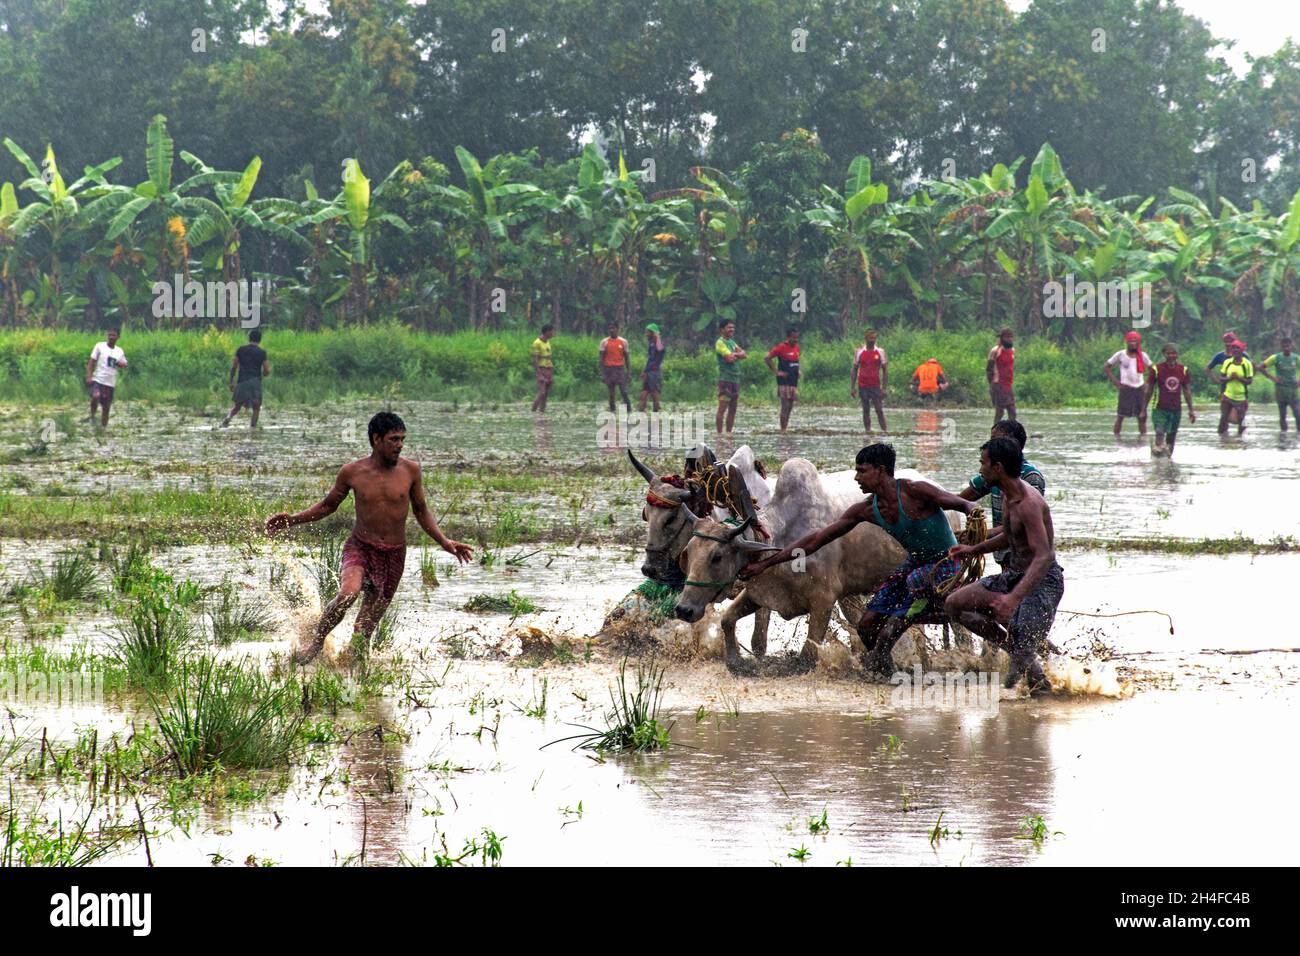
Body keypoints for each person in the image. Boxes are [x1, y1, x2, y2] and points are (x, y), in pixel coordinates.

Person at [740, 443, 973, 676]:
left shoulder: (915, 490)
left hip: (946, 562)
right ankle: (887, 671)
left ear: (880, 471)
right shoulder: (866, 509)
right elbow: (815, 540)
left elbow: (960, 503)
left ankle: (903, 651)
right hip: (914, 563)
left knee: (909, 592)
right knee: (866, 625)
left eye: (862, 471)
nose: (856, 477)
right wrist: (765, 563)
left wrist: (973, 512)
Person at [266, 412, 474, 664]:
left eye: (402, 439)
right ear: (376, 439)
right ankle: (316, 643)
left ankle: (354, 670)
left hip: (394, 555)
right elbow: (328, 505)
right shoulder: (353, 472)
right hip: (361, 547)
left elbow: (421, 510)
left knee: (365, 626)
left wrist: (445, 542)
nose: (399, 445)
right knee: (347, 594)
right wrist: (292, 520)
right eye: (393, 439)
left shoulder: (411, 471)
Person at [945, 437, 1064, 696]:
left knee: (1026, 656)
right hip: (1014, 575)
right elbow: (1012, 536)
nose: (980, 470)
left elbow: (1043, 556)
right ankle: (1017, 649)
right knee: (955, 604)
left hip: (1042, 581)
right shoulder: (1010, 497)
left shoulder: (1028, 503)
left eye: (983, 464)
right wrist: (973, 549)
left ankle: (1040, 698)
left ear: (997, 468)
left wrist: (1013, 598)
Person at [958, 419, 1045, 566]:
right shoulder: (993, 473)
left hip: (1022, 554)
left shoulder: (1030, 477)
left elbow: (1019, 529)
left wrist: (977, 536)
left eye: (994, 440)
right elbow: (960, 499)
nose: (990, 445)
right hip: (1003, 553)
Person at [1147, 343, 1196, 456]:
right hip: (1159, 408)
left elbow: (1187, 391)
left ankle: (1169, 463)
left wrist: (1191, 410)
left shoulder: (1183, 370)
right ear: (1164, 354)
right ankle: (1158, 457)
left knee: (1171, 437)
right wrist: (1143, 409)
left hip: (1176, 409)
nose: (1171, 356)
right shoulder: (1157, 369)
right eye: (1169, 353)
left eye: (1174, 353)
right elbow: (1148, 389)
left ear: (1177, 355)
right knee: (1159, 431)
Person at [1104, 330, 1153, 436]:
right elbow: (1107, 366)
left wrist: (1147, 383)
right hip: (1125, 389)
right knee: (1120, 416)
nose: (1133, 343)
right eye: (1130, 341)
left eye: (1135, 341)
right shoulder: (1120, 354)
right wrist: (1116, 383)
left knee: (1141, 417)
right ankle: (1116, 439)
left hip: (1140, 389)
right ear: (1127, 342)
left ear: (1138, 343)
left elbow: (1152, 369)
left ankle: (1142, 441)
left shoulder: (1143, 355)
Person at [222, 328, 269, 428]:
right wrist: (264, 374)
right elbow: (266, 370)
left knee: (237, 406)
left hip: (242, 381)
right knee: (256, 407)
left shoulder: (241, 349)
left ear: (249, 338)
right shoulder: (262, 352)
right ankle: (253, 427)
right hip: (255, 382)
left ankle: (227, 419)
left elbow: (234, 366)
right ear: (260, 340)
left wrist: (231, 381)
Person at [85, 327, 128, 427]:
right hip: (98, 379)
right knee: (95, 396)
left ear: (118, 337)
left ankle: (103, 430)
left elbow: (125, 364)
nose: (111, 337)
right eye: (109, 335)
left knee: (106, 408)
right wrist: (89, 376)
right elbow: (91, 362)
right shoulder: (100, 346)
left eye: (113, 335)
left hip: (110, 383)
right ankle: (92, 416)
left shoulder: (119, 351)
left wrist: (121, 364)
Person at [1258, 335, 1299, 432]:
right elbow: (1261, 367)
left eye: (1288, 346)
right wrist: (1272, 378)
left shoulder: (1296, 358)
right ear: (1281, 346)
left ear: (1291, 346)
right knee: (1282, 415)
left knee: (1298, 414)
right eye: (1285, 346)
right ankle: (1283, 435)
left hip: (1293, 390)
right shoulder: (1275, 358)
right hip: (1280, 390)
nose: (1287, 348)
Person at [765, 326, 801, 431]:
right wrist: (776, 371)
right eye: (794, 338)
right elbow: (767, 358)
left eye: (797, 338)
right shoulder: (781, 347)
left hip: (793, 381)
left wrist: (798, 371)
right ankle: (783, 430)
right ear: (788, 337)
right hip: (784, 382)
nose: (796, 340)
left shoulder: (797, 347)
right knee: (785, 406)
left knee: (790, 407)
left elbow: (796, 361)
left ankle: (785, 427)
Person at [852, 329, 888, 433]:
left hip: (875, 385)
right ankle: (868, 430)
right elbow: (854, 370)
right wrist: (853, 387)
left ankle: (885, 431)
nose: (873, 340)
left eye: (875, 338)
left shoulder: (880, 352)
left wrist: (884, 388)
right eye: (871, 338)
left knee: (879, 409)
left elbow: (885, 371)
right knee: (866, 409)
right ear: (866, 339)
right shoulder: (859, 352)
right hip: (863, 385)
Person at [1214, 340, 1253, 436]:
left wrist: (1239, 378)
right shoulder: (1227, 363)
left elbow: (1249, 381)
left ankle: (1241, 442)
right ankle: (1221, 441)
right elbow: (1221, 378)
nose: (1235, 350)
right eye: (1233, 348)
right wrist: (1229, 378)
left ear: (1242, 350)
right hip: (1228, 396)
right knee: (1223, 420)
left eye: (1237, 348)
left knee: (1242, 422)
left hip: (1241, 397)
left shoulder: (1247, 364)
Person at [715, 319, 746, 434]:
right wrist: (738, 354)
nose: (731, 330)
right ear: (722, 329)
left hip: (735, 379)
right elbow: (729, 358)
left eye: (733, 327)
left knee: (733, 408)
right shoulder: (720, 342)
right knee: (722, 408)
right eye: (729, 327)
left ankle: (728, 433)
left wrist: (736, 354)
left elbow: (744, 355)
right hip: (725, 379)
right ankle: (719, 434)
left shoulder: (732, 343)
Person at [598, 323, 632, 413]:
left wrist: (629, 373)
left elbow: (627, 358)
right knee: (611, 394)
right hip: (608, 369)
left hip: (620, 369)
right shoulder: (604, 342)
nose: (611, 330)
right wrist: (602, 374)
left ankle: (629, 411)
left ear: (617, 329)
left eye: (613, 328)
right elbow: (601, 359)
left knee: (624, 392)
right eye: (610, 328)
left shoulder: (623, 342)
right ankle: (612, 411)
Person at [987, 328, 1016, 423]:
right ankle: (995, 433)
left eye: (1011, 337)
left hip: (1008, 385)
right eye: (1008, 337)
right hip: (998, 384)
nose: (1010, 339)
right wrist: (991, 386)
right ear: (1002, 338)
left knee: (1012, 412)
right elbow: (989, 369)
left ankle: (1009, 433)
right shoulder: (995, 351)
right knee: (1000, 412)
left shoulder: (1012, 351)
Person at [639, 324, 666, 412]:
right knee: (644, 391)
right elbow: (650, 359)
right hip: (649, 371)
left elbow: (660, 350)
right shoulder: (651, 344)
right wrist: (645, 371)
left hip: (655, 372)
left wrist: (657, 337)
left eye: (648, 332)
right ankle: (641, 411)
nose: (646, 334)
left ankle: (656, 412)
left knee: (654, 392)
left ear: (653, 333)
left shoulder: (659, 343)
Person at [531, 324, 555, 413]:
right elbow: (534, 360)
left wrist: (551, 371)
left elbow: (548, 357)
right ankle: (533, 412)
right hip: (542, 368)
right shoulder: (537, 343)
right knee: (542, 392)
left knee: (546, 394)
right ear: (547, 332)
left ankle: (542, 413)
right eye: (552, 331)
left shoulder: (547, 342)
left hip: (549, 368)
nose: (553, 333)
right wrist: (539, 374)